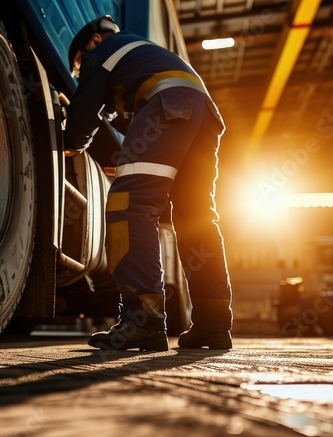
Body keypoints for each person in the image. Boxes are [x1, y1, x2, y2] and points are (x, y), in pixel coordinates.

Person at [64, 16, 232, 351]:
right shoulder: (141, 55)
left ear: (94, 40)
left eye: (79, 62)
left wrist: (71, 142)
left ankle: (144, 321)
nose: (81, 70)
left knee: (130, 203)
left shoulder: (106, 51)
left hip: (170, 105)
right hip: (202, 114)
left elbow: (84, 111)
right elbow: (133, 123)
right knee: (196, 216)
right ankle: (214, 325)